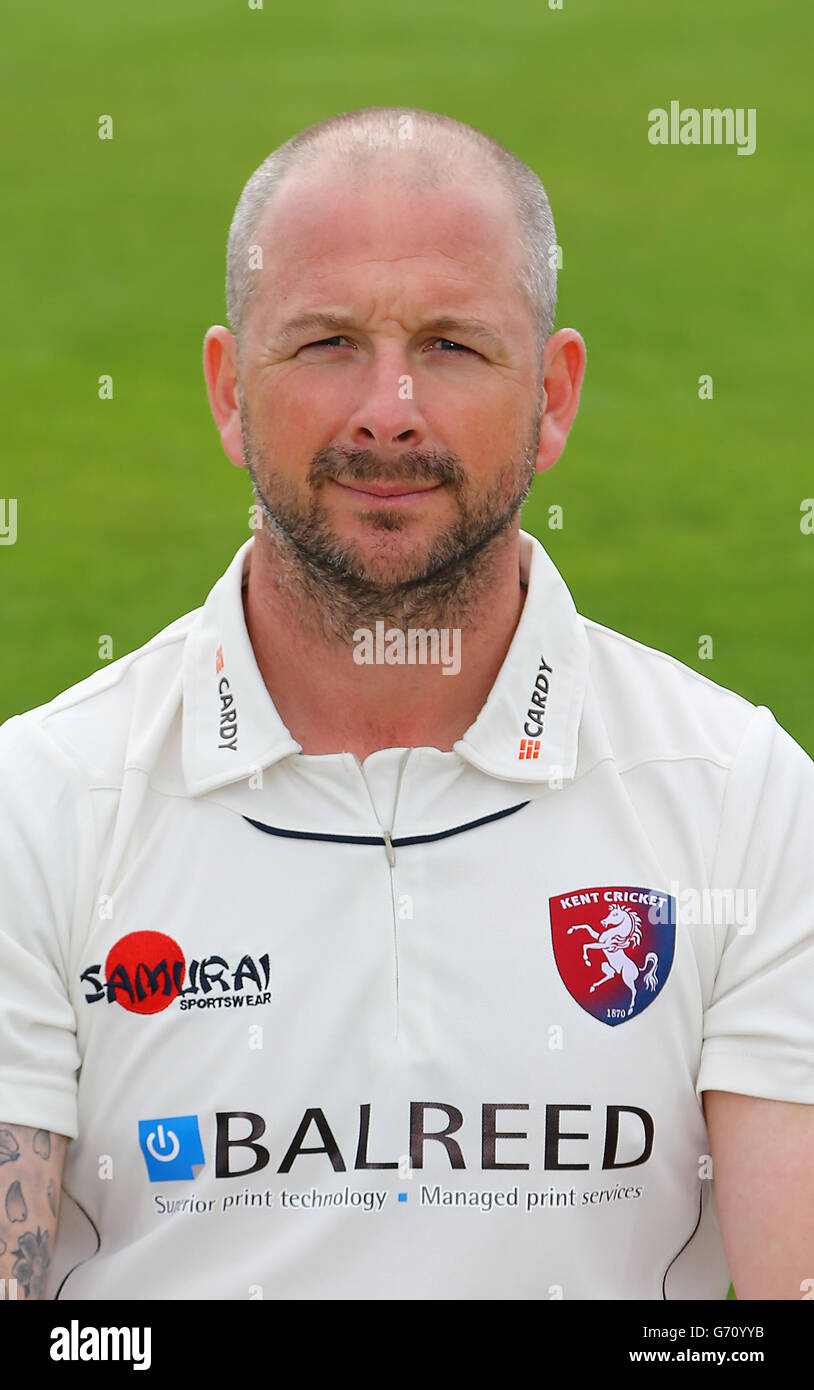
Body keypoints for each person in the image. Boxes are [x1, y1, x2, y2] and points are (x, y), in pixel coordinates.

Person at [1, 105, 812, 1302]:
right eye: (326, 342)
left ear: (552, 395)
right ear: (229, 390)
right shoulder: (40, 804)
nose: (388, 410)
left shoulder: (741, 795)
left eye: (451, 346)